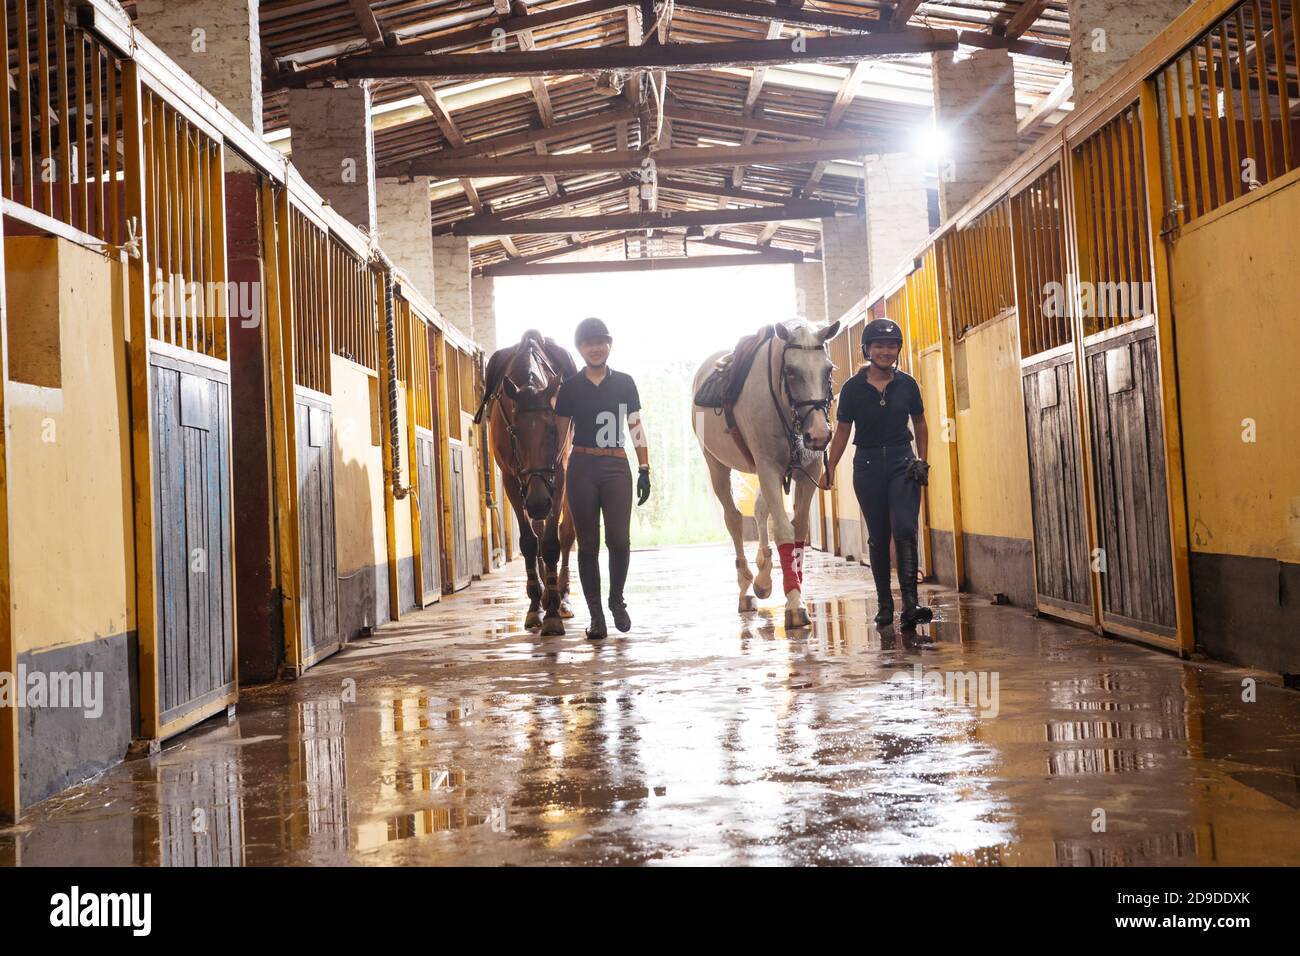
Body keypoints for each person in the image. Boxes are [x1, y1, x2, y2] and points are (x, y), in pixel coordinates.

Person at [819, 318, 933, 629]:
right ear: (867, 349)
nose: (885, 351)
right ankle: (885, 604)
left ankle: (911, 604)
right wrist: (829, 468)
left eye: (891, 345)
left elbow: (920, 423)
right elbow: (842, 432)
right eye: (879, 345)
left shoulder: (908, 384)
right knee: (879, 536)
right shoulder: (853, 389)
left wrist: (923, 459)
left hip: (903, 465)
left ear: (898, 349)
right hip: (867, 466)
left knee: (905, 529)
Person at [553, 318, 652, 640]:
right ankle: (596, 616)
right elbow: (559, 436)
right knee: (589, 545)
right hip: (581, 467)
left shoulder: (625, 383)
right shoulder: (569, 388)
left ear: (609, 345)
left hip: (616, 468)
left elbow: (636, 426)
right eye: (588, 343)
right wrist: (554, 471)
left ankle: (616, 600)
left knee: (619, 541)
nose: (595, 348)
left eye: (601, 342)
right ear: (580, 348)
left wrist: (644, 469)